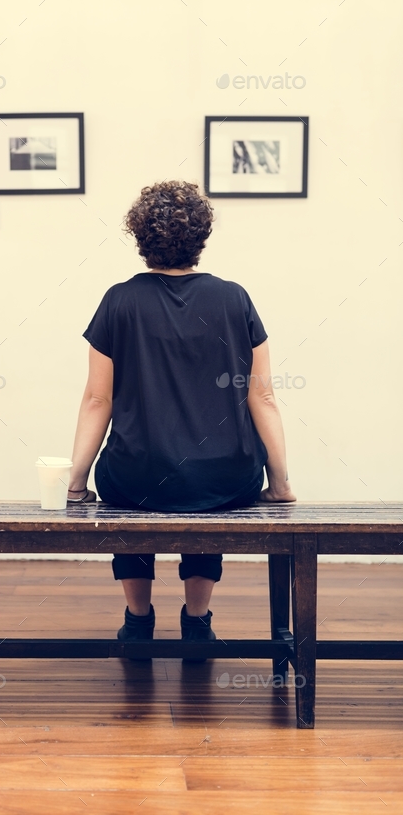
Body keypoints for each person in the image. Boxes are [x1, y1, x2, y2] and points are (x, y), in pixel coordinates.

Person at [68, 180, 295, 651]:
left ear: (140, 238)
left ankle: (137, 619)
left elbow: (97, 400)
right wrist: (281, 483)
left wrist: (76, 481)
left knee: (132, 484)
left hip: (137, 474)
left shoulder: (119, 300)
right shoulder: (235, 299)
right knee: (205, 485)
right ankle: (196, 620)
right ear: (202, 237)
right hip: (226, 475)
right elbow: (264, 397)